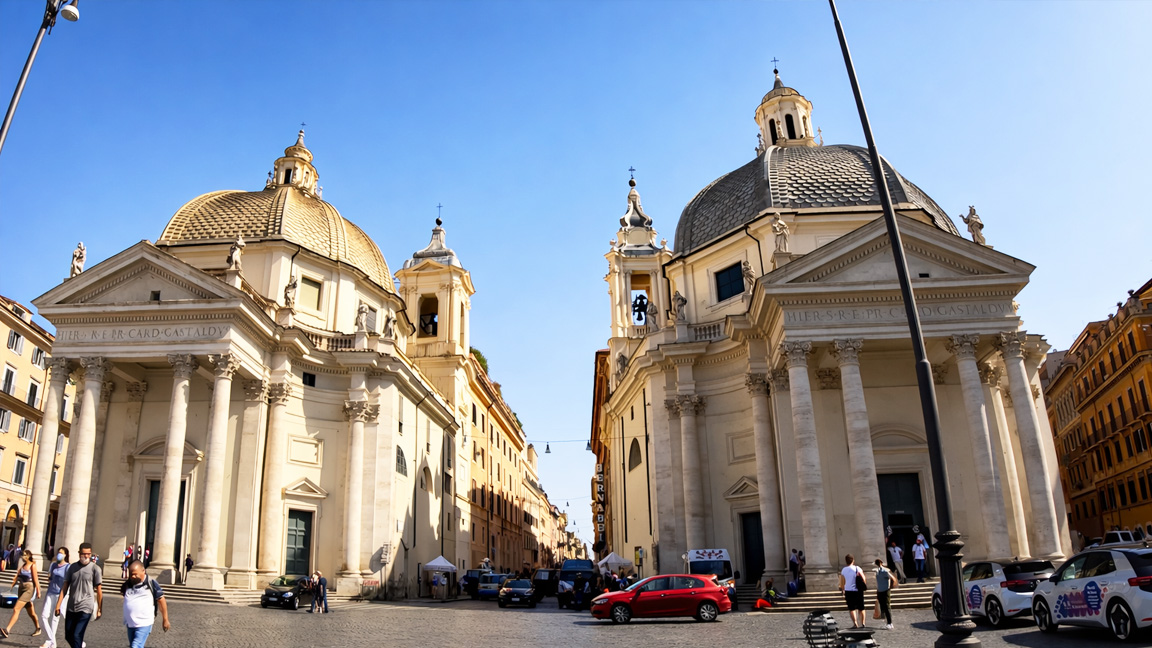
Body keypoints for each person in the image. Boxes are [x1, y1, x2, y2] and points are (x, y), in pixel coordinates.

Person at [55, 542, 102, 648]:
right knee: (68, 635)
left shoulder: (95, 569)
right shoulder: (72, 568)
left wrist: (99, 608)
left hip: (86, 606)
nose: (86, 556)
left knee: (77, 635)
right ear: (79, 553)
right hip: (72, 606)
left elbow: (99, 590)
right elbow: (65, 587)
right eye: (84, 554)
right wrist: (58, 605)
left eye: (88, 554)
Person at [121, 560, 169, 648]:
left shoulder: (151, 583)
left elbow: (161, 600)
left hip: (144, 623)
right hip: (131, 623)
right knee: (134, 645)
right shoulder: (128, 584)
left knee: (135, 646)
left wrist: (165, 619)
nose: (133, 576)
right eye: (131, 574)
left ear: (143, 571)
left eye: (135, 574)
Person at [1, 549, 42, 638]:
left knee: (16, 609)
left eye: (24, 555)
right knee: (31, 612)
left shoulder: (32, 565)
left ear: (28, 556)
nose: (22, 557)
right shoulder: (23, 565)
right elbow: (18, 576)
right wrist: (14, 582)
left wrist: (38, 591)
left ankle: (7, 630)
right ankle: (38, 628)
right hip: (21, 588)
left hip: (29, 589)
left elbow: (36, 580)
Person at [40, 547, 70, 648]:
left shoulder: (68, 567)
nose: (59, 554)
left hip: (60, 594)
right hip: (50, 592)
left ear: (65, 555)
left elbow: (68, 582)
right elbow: (50, 577)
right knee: (44, 616)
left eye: (61, 553)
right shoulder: (53, 565)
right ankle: (51, 640)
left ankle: (51, 642)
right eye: (58, 553)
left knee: (55, 618)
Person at [838, 554, 867, 629]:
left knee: (852, 608)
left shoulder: (844, 570)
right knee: (861, 607)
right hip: (858, 590)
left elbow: (842, 581)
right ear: (853, 560)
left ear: (846, 561)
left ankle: (855, 623)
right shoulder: (857, 568)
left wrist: (842, 589)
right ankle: (863, 623)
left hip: (848, 590)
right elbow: (863, 578)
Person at [874, 558, 897, 630]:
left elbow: (893, 578)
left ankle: (890, 623)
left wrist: (890, 587)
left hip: (885, 590)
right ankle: (887, 623)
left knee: (887, 607)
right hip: (880, 590)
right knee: (883, 607)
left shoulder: (885, 571)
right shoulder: (877, 571)